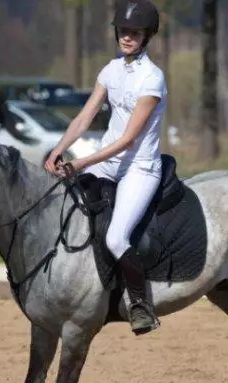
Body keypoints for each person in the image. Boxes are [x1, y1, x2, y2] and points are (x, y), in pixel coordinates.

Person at [44, 0, 166, 336]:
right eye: (123, 31)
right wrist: (58, 149)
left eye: (134, 33)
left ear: (147, 36)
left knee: (115, 236)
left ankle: (141, 305)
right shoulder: (110, 71)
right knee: (67, 210)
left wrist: (82, 162)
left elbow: (128, 139)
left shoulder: (151, 78)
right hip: (106, 163)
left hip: (139, 169)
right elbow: (84, 117)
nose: (127, 37)